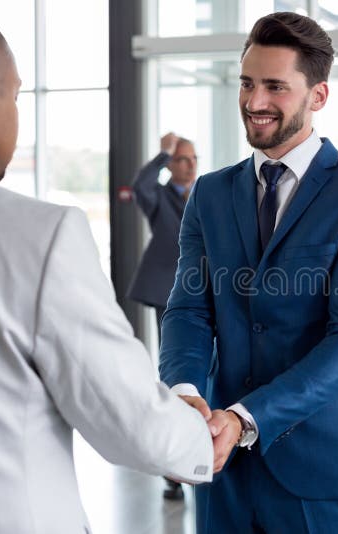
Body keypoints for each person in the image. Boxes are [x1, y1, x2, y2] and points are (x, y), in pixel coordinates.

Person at [0, 9, 214, 534]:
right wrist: (203, 432)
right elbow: (129, 419)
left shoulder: (206, 196)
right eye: (17, 95)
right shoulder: (34, 232)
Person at [159, 12, 338, 533]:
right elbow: (188, 308)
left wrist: (247, 418)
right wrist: (182, 390)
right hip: (221, 472)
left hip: (320, 477)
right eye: (248, 84)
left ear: (318, 96)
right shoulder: (210, 192)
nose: (254, 102)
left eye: (276, 86)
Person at [128, 131, 198, 500]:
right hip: (167, 296)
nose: (189, 166)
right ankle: (173, 467)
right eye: (182, 159)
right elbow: (140, 185)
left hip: (204, 295)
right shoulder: (160, 199)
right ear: (171, 165)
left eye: (193, 159)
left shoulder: (204, 195)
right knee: (175, 373)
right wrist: (162, 153)